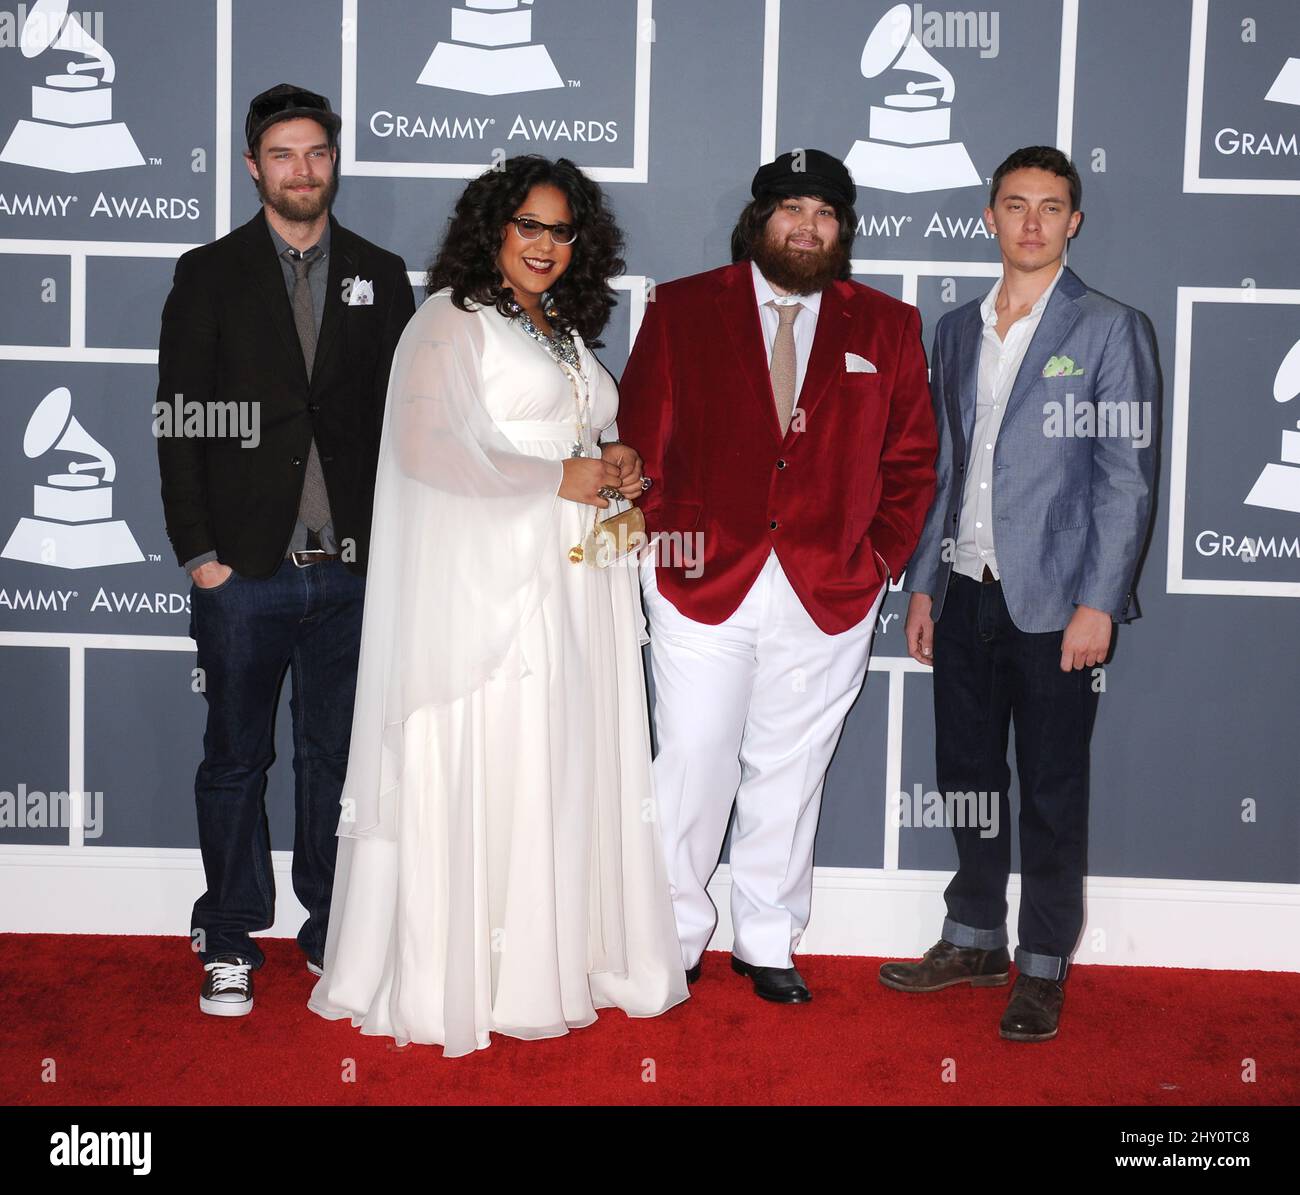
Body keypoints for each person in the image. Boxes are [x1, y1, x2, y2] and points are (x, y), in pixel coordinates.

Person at [307, 155, 688, 1056]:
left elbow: (574, 435)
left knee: (556, 765)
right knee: (504, 753)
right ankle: (466, 975)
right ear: (493, 229)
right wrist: (567, 473)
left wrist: (615, 459)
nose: (546, 244)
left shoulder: (557, 327)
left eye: (562, 229)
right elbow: (427, 450)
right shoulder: (451, 319)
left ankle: (556, 961)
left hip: (572, 577)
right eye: (529, 224)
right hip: (489, 591)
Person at [617, 149, 938, 1003]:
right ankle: (673, 932)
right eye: (790, 209)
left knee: (792, 770)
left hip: (829, 585)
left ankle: (766, 938)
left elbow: (911, 461)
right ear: (757, 222)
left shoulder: (888, 327)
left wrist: (875, 561)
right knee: (689, 759)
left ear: (844, 229)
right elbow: (641, 441)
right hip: (700, 579)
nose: (807, 226)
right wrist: (658, 547)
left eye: (824, 213)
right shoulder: (683, 308)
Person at [880, 146, 1157, 1042]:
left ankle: (1042, 963)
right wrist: (925, 582)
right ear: (990, 216)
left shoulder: (1112, 327)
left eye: (1050, 207)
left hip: (1057, 600)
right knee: (966, 780)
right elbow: (944, 470)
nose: (1031, 221)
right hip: (964, 589)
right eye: (1015, 204)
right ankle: (974, 938)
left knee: (1049, 788)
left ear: (1074, 222)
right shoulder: (957, 329)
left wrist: (1099, 602)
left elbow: (1127, 479)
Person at [156, 83, 415, 1017]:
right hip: (244, 571)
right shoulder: (210, 273)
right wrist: (201, 554)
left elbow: (401, 421)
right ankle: (229, 932)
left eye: (317, 153)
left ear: (334, 162)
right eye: (283, 155)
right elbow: (180, 419)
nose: (302, 170)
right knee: (234, 758)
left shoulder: (382, 274)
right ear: (253, 165)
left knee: (334, 760)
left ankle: (328, 926)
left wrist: (390, 553)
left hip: (349, 570)